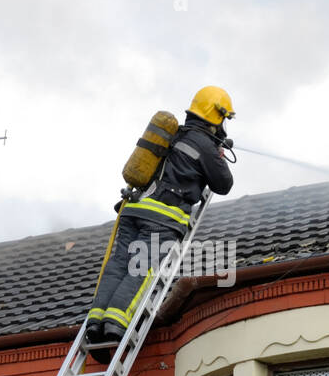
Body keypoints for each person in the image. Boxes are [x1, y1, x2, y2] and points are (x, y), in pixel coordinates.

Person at [87, 86, 236, 361]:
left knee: (118, 265)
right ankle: (116, 325)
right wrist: (219, 153)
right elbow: (224, 183)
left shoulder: (174, 134)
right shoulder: (205, 144)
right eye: (224, 119)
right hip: (163, 218)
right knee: (140, 269)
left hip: (133, 209)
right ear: (218, 115)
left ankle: (95, 323)